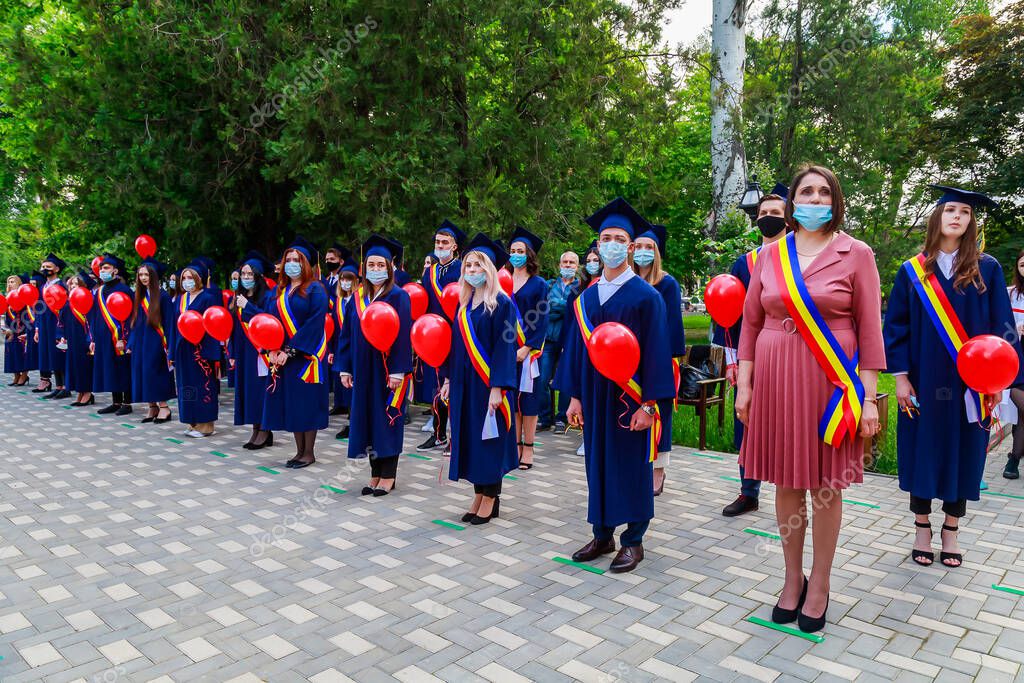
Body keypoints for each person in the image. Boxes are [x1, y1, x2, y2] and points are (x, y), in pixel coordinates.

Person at [735, 165, 885, 633]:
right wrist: (744, 383)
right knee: (786, 482)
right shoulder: (771, 254)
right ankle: (790, 579)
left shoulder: (855, 253)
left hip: (831, 383)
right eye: (806, 191)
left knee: (825, 487)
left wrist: (870, 397)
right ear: (793, 200)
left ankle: (820, 583)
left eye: (824, 192)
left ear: (835, 200)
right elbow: (751, 324)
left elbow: (870, 329)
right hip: (776, 379)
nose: (815, 198)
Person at [884, 185, 1024, 568]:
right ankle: (921, 527)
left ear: (970, 222)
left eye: (964, 211)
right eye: (950, 210)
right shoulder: (913, 271)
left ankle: (951, 530)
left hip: (971, 387)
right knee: (922, 450)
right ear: (938, 218)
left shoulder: (988, 269)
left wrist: (997, 383)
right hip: (924, 380)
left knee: (964, 452)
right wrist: (899, 378)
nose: (957, 216)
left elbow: (1002, 329)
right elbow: (896, 327)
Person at [556, 197, 675, 573]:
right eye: (605, 237)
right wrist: (573, 396)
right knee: (598, 463)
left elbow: (658, 350)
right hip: (594, 394)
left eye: (619, 238)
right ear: (597, 245)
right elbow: (576, 349)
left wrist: (650, 405)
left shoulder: (647, 296)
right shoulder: (586, 297)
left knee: (632, 465)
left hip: (631, 398)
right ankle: (602, 532)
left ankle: (634, 539)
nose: (611, 244)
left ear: (630, 245)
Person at [715, 186, 789, 516]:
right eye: (763, 215)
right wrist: (732, 361)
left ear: (789, 219)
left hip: (790, 355)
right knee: (746, 421)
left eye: (775, 214)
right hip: (750, 357)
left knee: (789, 423)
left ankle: (791, 489)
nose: (768, 219)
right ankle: (749, 491)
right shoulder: (742, 264)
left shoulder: (799, 260)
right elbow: (729, 316)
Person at [441, 234, 519, 524]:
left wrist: (498, 387)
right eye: (468, 266)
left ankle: (491, 498)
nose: (472, 271)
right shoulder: (464, 304)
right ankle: (478, 493)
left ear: (489, 270)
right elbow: (455, 347)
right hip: (464, 385)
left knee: (489, 441)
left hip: (488, 385)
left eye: (478, 266)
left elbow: (505, 347)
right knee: (472, 438)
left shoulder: (502, 303)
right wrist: (448, 379)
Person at [335, 235, 413, 496]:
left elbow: (403, 336)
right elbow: (346, 335)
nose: (376, 269)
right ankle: (375, 473)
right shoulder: (356, 298)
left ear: (389, 268)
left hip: (388, 370)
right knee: (367, 419)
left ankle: (388, 475)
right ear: (364, 267)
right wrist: (345, 368)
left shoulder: (399, 297)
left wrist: (398, 370)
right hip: (362, 370)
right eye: (371, 265)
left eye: (381, 265)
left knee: (387, 419)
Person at [262, 239, 330, 468]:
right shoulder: (278, 291)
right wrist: (272, 348)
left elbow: (315, 323)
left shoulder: (315, 289)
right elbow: (270, 322)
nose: (292, 264)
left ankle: (308, 453)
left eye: (297, 260)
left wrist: (289, 351)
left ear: (306, 264)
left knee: (306, 404)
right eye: (288, 260)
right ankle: (298, 451)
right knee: (292, 404)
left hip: (306, 357)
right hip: (283, 358)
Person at [632, 223, 686, 496]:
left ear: (656, 252)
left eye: (648, 247)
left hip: (660, 359)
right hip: (629, 362)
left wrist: (663, 360)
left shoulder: (667, 283)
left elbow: (672, 326)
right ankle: (637, 469)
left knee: (659, 417)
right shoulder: (626, 282)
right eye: (638, 246)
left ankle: (658, 471)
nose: (643, 252)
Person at [416, 219, 466, 451]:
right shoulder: (430, 271)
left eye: (445, 242)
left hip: (457, 333)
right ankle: (438, 432)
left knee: (454, 385)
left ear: (454, 246)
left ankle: (457, 437)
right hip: (434, 335)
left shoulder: (462, 269)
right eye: (437, 242)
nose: (440, 245)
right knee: (438, 386)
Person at [507, 226, 549, 469]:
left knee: (529, 400)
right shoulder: (502, 280)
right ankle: (515, 446)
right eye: (512, 250)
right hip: (507, 348)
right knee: (513, 399)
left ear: (529, 254)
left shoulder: (539, 283)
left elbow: (542, 317)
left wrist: (528, 347)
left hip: (530, 351)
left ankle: (529, 448)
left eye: (520, 251)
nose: (515, 254)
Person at [232, 252, 277, 449]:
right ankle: (255, 428)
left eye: (250, 275)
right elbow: (232, 328)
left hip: (260, 351)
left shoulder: (268, 296)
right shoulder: (238, 297)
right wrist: (232, 353)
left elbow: (268, 319)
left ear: (258, 276)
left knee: (260, 390)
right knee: (247, 390)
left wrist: (248, 307)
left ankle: (265, 430)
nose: (246, 278)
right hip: (244, 351)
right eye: (243, 274)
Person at [172, 260, 221, 437]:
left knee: (203, 387)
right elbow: (173, 326)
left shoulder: (208, 298)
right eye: (184, 278)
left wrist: (211, 353)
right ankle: (192, 422)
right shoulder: (180, 299)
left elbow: (213, 325)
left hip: (201, 351)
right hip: (183, 350)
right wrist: (171, 352)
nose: (186, 281)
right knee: (187, 388)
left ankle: (206, 425)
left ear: (198, 279)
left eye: (190, 278)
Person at [128, 257, 176, 424]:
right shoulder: (139, 296)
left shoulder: (162, 297)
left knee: (155, 372)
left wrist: (170, 345)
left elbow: (169, 323)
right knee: (142, 372)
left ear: (154, 276)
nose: (143, 277)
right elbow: (134, 322)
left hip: (156, 342)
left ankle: (164, 407)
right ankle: (152, 405)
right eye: (140, 274)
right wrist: (130, 343)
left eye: (147, 274)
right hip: (141, 342)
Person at [537, 251, 579, 432]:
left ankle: (562, 418)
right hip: (547, 339)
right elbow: (543, 308)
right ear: (560, 265)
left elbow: (573, 310)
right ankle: (544, 417)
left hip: (567, 340)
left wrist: (557, 306)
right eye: (565, 262)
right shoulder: (549, 285)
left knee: (564, 380)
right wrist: (562, 307)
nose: (568, 265)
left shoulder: (580, 286)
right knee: (542, 379)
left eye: (572, 263)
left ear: (577, 267)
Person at [89, 254, 133, 415]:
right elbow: (94, 316)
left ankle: (127, 403)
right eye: (101, 268)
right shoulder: (99, 291)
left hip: (119, 337)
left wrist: (124, 338)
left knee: (122, 368)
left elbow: (129, 316)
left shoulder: (124, 289)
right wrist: (92, 338)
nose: (102, 271)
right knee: (111, 368)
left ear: (115, 270)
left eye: (106, 268)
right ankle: (116, 401)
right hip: (102, 337)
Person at [35, 253, 70, 399]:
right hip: (44, 325)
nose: (44, 269)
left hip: (57, 324)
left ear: (56, 269)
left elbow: (65, 308)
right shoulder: (43, 286)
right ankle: (58, 386)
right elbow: (38, 308)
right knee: (50, 354)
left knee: (59, 354)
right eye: (43, 266)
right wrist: (37, 328)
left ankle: (66, 387)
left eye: (48, 266)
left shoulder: (61, 286)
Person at [333, 254, 360, 437]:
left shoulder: (359, 301)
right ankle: (350, 421)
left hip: (356, 349)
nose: (345, 282)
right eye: (342, 279)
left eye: (349, 279)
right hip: (342, 348)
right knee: (346, 388)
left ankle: (355, 423)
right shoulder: (338, 302)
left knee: (355, 389)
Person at [1003, 248, 1024, 480]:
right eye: (1022, 264)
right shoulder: (1009, 294)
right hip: (1015, 360)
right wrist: (1015, 331)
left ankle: (1014, 458)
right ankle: (1014, 457)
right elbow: (997, 329)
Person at [63, 271, 95, 406]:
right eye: (71, 284)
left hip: (84, 339)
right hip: (72, 339)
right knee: (74, 365)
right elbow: (61, 322)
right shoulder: (69, 302)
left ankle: (87, 392)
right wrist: (62, 337)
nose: (73, 286)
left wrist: (90, 339)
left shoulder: (90, 300)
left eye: (76, 284)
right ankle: (80, 392)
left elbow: (93, 322)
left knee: (84, 365)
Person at [3, 274, 31, 387]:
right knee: (11, 352)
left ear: (19, 283)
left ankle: (24, 375)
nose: (10, 284)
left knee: (21, 352)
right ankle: (16, 375)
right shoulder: (7, 298)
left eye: (13, 281)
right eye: (9, 282)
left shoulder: (24, 297)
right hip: (10, 329)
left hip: (22, 328)